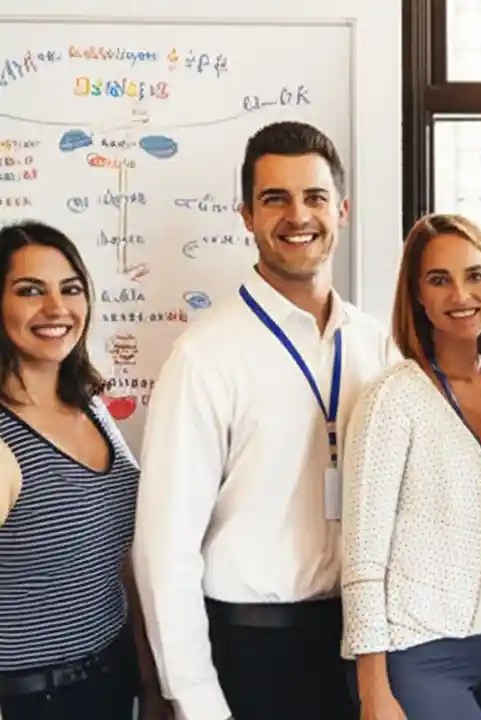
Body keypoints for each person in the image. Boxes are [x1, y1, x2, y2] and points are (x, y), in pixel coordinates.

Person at [132, 121, 398, 720]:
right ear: (246, 216)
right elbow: (165, 548)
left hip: (364, 646)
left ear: (343, 209)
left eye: (314, 197)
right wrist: (197, 699)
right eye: (275, 199)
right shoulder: (204, 356)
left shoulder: (377, 346)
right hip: (254, 651)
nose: (297, 215)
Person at [341, 213, 481, 720]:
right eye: (439, 280)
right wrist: (374, 691)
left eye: (475, 275)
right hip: (417, 653)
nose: (460, 295)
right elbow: (363, 558)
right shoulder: (392, 398)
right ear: (417, 296)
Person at [0, 221, 168, 720]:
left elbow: (118, 559)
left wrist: (150, 681)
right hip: (32, 699)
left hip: (112, 677)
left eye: (69, 289)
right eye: (30, 291)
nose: (56, 309)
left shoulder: (89, 406)